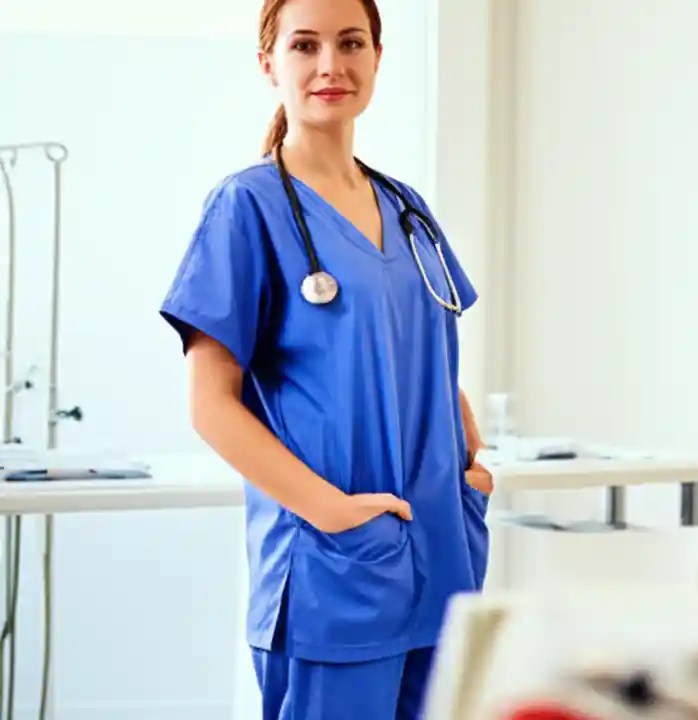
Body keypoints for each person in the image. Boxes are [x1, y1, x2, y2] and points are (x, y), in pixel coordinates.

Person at [158, 0, 492, 716]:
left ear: (377, 56)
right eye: (305, 45)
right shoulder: (246, 207)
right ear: (268, 63)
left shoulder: (407, 208)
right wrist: (334, 514)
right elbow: (210, 404)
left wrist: (469, 465)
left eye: (351, 43)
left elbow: (430, 346)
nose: (330, 65)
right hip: (334, 565)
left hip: (440, 553)